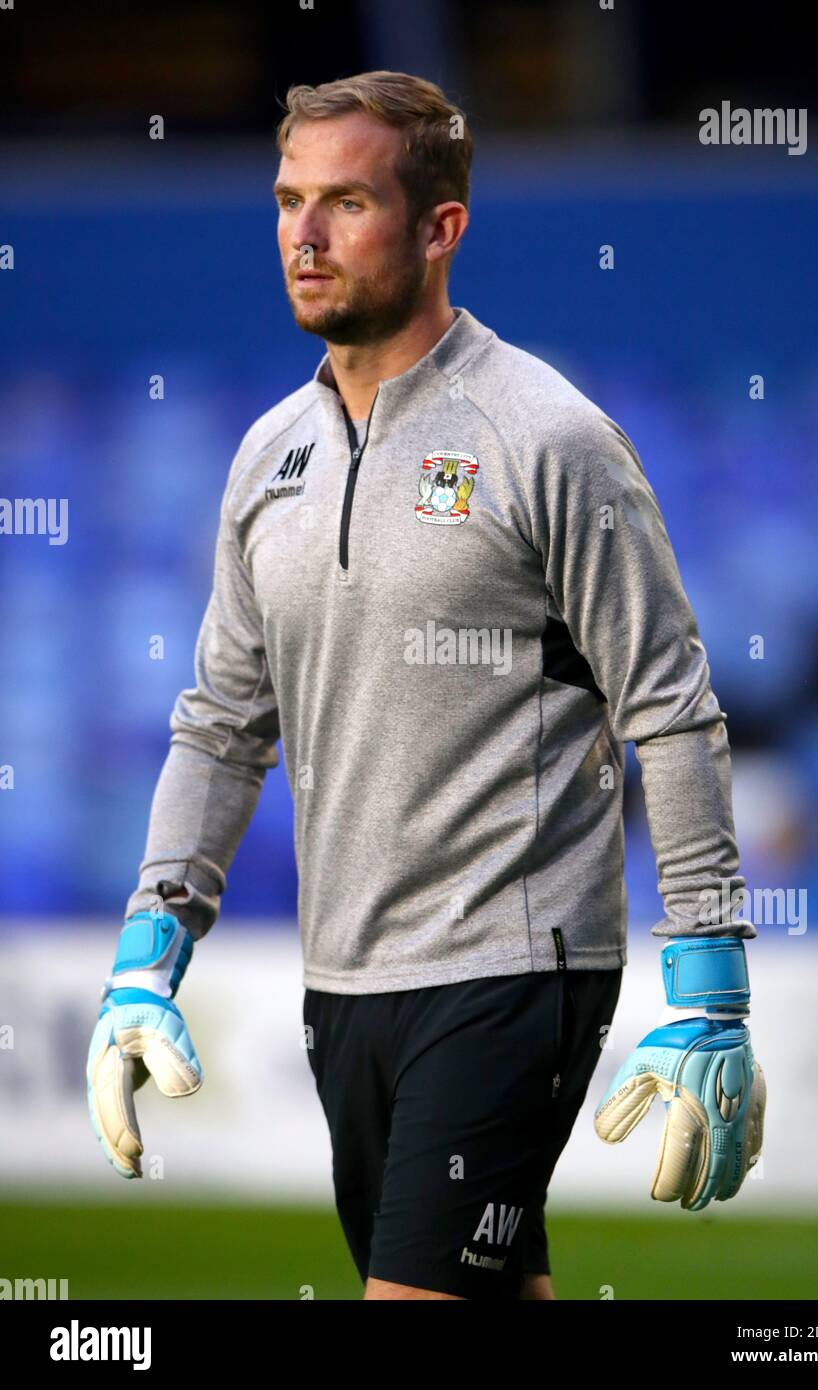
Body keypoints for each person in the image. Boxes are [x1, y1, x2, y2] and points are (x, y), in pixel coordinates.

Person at [86, 70, 765, 1302]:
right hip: (345, 981)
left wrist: (709, 972)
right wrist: (150, 942)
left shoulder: (546, 437)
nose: (302, 234)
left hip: (514, 965)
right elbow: (223, 725)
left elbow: (668, 701)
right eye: (289, 199)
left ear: (440, 227)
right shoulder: (266, 459)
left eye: (344, 202)